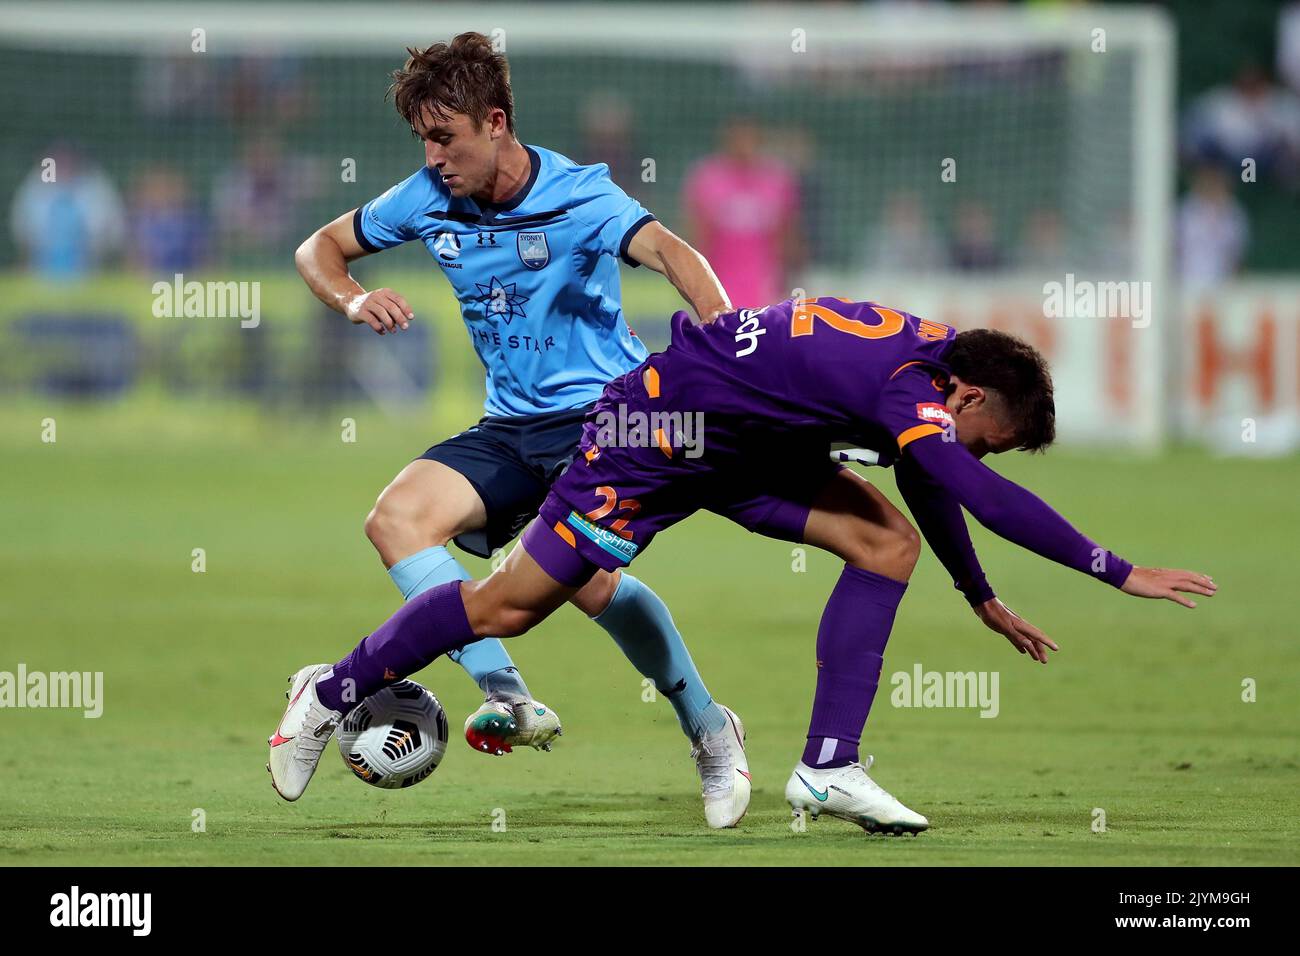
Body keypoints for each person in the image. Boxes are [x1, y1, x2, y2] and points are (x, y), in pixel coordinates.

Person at [270, 295, 1216, 832]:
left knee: (885, 545)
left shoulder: (930, 367)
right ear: (967, 394)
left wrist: (978, 592)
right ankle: (329, 692)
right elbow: (972, 491)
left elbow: (934, 487)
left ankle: (829, 768)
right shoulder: (909, 387)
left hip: (743, 444)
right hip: (653, 435)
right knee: (507, 610)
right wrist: (1117, 570)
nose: (982, 455)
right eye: (989, 438)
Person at [289, 33, 751, 827]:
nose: (434, 157)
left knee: (590, 586)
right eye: (423, 140)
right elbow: (318, 248)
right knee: (396, 520)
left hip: (606, 422)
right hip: (508, 425)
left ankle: (711, 728)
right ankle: (508, 695)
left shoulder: (580, 196)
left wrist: (731, 356)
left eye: (446, 137)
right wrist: (356, 300)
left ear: (495, 121)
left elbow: (677, 256)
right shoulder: (426, 198)